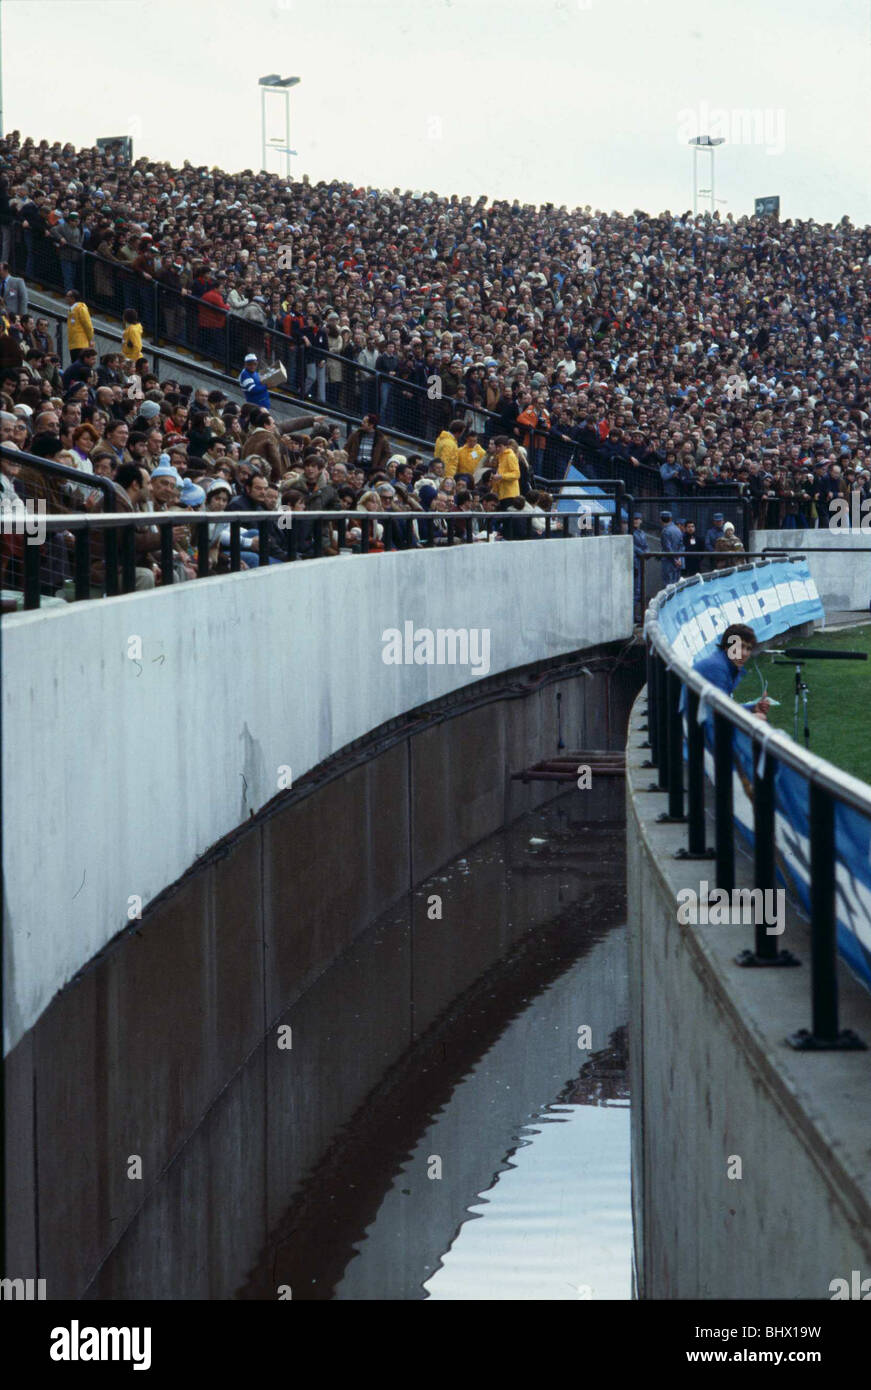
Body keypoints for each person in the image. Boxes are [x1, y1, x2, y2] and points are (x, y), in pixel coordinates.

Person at [692, 623, 770, 720]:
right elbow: (720, 713)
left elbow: (725, 707)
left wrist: (753, 708)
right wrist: (752, 717)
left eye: (748, 649)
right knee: (760, 719)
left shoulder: (729, 666)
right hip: (691, 727)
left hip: (698, 721)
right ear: (727, 647)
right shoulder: (717, 667)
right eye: (740, 647)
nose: (744, 653)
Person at [65, 289, 94, 362]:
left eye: (67, 296)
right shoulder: (71, 310)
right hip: (73, 344)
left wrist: (90, 339)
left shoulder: (81, 308)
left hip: (81, 344)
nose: (66, 298)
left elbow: (88, 325)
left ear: (73, 298)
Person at [660, 509, 683, 586]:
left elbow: (667, 548)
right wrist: (679, 558)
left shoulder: (665, 531)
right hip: (678, 561)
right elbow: (681, 545)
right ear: (670, 519)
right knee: (676, 583)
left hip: (668, 561)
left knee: (668, 584)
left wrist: (674, 560)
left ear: (661, 519)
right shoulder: (677, 529)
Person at [632, 513, 648, 611]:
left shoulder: (641, 533)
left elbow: (646, 545)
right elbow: (632, 546)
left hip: (641, 562)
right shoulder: (630, 532)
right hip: (635, 562)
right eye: (634, 519)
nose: (636, 521)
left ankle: (637, 614)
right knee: (636, 590)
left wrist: (646, 553)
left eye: (638, 519)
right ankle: (633, 615)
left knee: (640, 589)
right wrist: (642, 553)